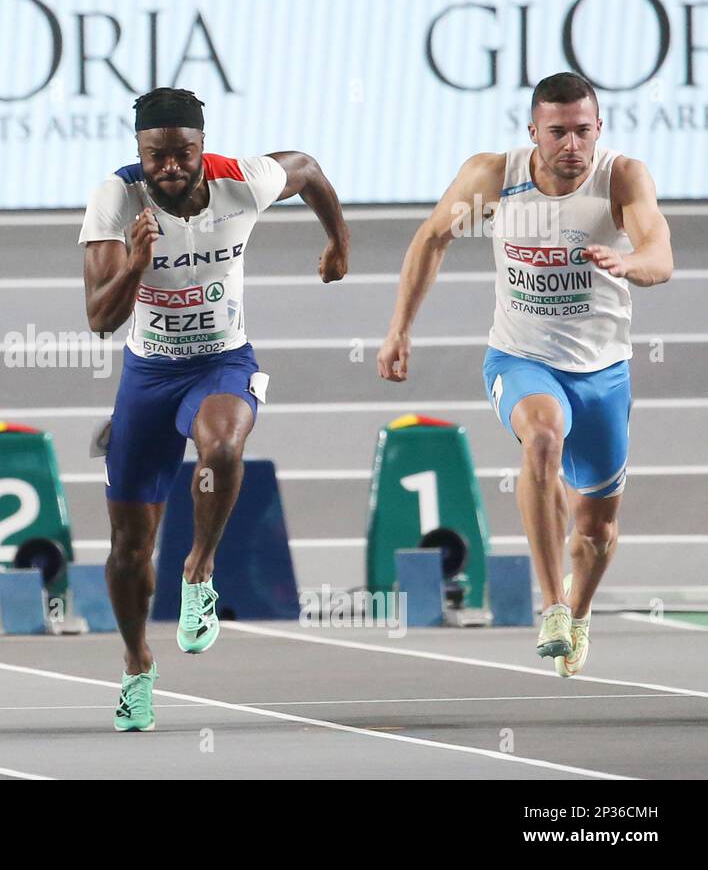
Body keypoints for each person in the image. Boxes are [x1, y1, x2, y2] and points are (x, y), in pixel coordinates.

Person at [377, 72, 673, 676]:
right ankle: (553, 605)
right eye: (558, 132)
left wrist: (629, 261)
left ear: (600, 130)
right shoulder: (494, 177)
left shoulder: (621, 177)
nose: (571, 146)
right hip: (521, 356)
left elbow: (661, 253)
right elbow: (432, 238)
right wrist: (399, 328)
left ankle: (580, 611)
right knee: (541, 437)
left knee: (597, 531)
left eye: (583, 131)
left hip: (602, 372)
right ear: (532, 130)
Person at [80, 87, 351, 730]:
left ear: (203, 148)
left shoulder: (242, 181)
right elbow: (98, 320)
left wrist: (339, 242)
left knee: (223, 445)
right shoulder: (116, 200)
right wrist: (137, 266)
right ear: (138, 152)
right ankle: (137, 665)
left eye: (183, 154)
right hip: (148, 374)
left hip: (221, 361)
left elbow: (307, 168)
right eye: (155, 156)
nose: (169, 169)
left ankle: (199, 570)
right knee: (127, 548)